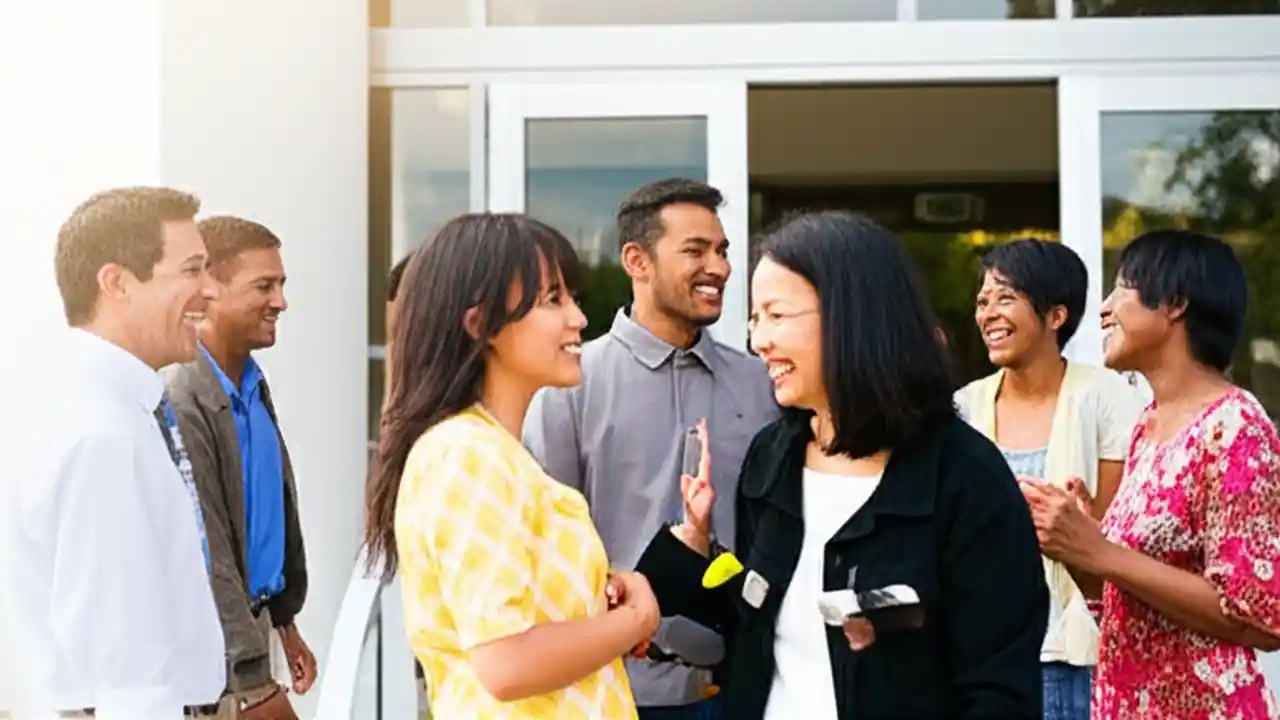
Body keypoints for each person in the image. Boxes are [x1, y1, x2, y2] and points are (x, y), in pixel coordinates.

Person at [637, 210, 1048, 719]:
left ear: (853, 316)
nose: (758, 340)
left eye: (777, 315)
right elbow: (752, 624)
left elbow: (999, 688)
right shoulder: (773, 458)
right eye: (755, 318)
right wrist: (691, 550)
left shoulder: (964, 479)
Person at [363, 213, 659, 719]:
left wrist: (596, 594)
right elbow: (507, 664)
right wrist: (634, 621)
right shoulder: (467, 456)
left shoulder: (493, 453)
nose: (578, 320)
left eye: (571, 297)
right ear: (480, 325)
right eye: (552, 300)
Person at [523, 178, 779, 718]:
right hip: (612, 692)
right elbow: (548, 551)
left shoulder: (763, 386)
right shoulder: (568, 385)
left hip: (744, 689)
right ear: (637, 261)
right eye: (696, 251)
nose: (720, 268)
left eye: (722, 251)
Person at [1021, 229, 1280, 719]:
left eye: (1123, 287)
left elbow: (1259, 616)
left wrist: (1103, 552)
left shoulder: (1235, 426)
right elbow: (1128, 605)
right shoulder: (1147, 427)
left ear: (1176, 304)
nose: (1103, 308)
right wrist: (1077, 547)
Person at [0, 187, 225, 718]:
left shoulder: (91, 404)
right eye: (192, 270)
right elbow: (122, 662)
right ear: (117, 283)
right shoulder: (102, 433)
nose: (210, 290)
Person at [954, 239, 1142, 720]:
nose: (988, 314)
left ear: (1055, 315)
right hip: (980, 659)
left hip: (1074, 660)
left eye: (1005, 298)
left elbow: (1123, 542)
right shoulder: (962, 407)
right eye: (982, 301)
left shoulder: (1106, 397)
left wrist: (1076, 529)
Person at [164, 216, 313, 719]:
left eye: (282, 284)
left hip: (256, 635)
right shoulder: (182, 397)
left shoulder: (252, 383)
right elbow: (206, 550)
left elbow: (263, 522)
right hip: (222, 667)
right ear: (210, 293)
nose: (281, 301)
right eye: (263, 286)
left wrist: (284, 623)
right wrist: (251, 679)